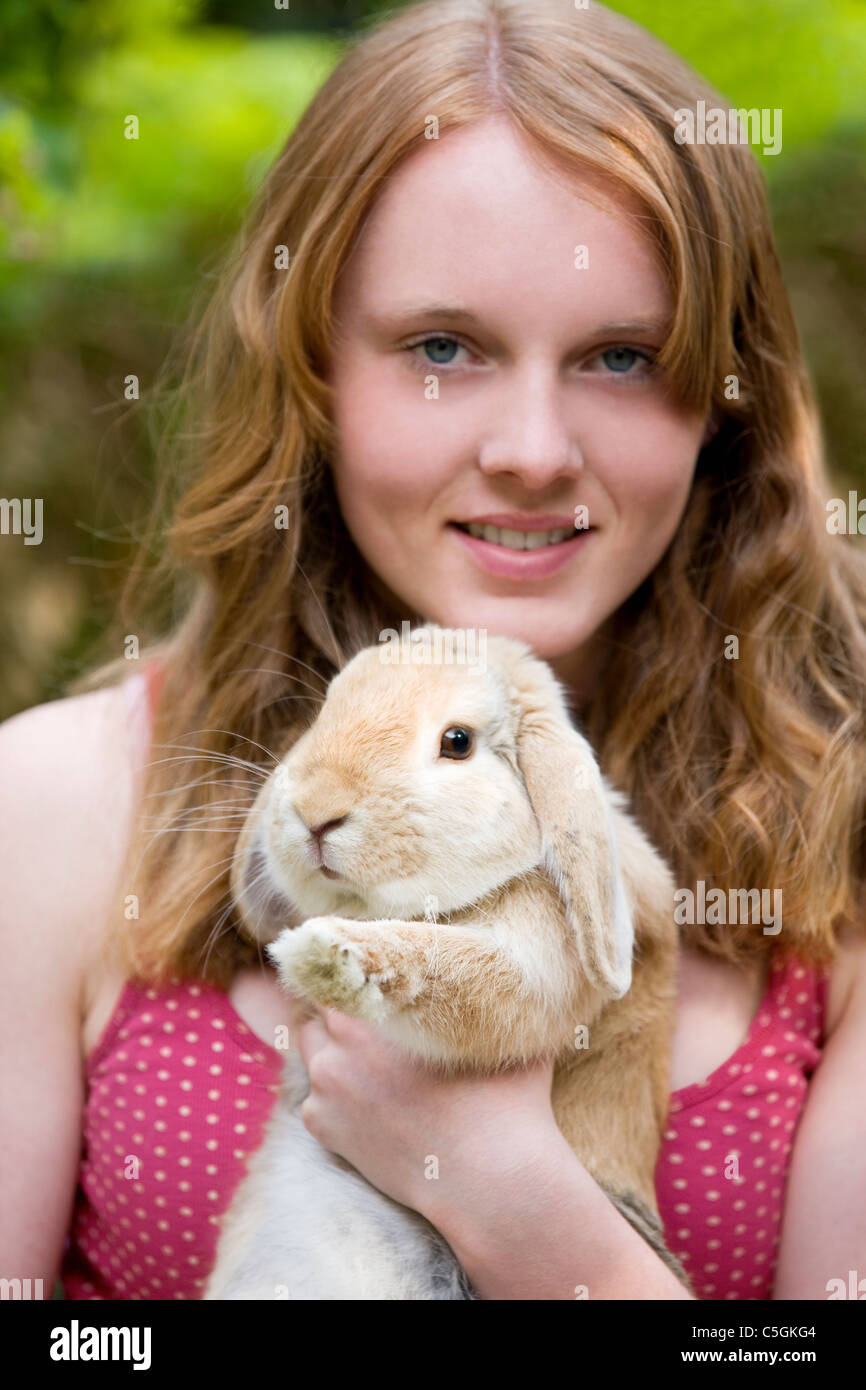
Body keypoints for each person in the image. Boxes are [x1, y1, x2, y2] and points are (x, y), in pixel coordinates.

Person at [2, 0, 865, 1303]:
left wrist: (514, 1198)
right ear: (312, 373)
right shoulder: (56, 810)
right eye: (441, 348)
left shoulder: (834, 849)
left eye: (621, 357)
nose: (531, 447)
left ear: (720, 399)